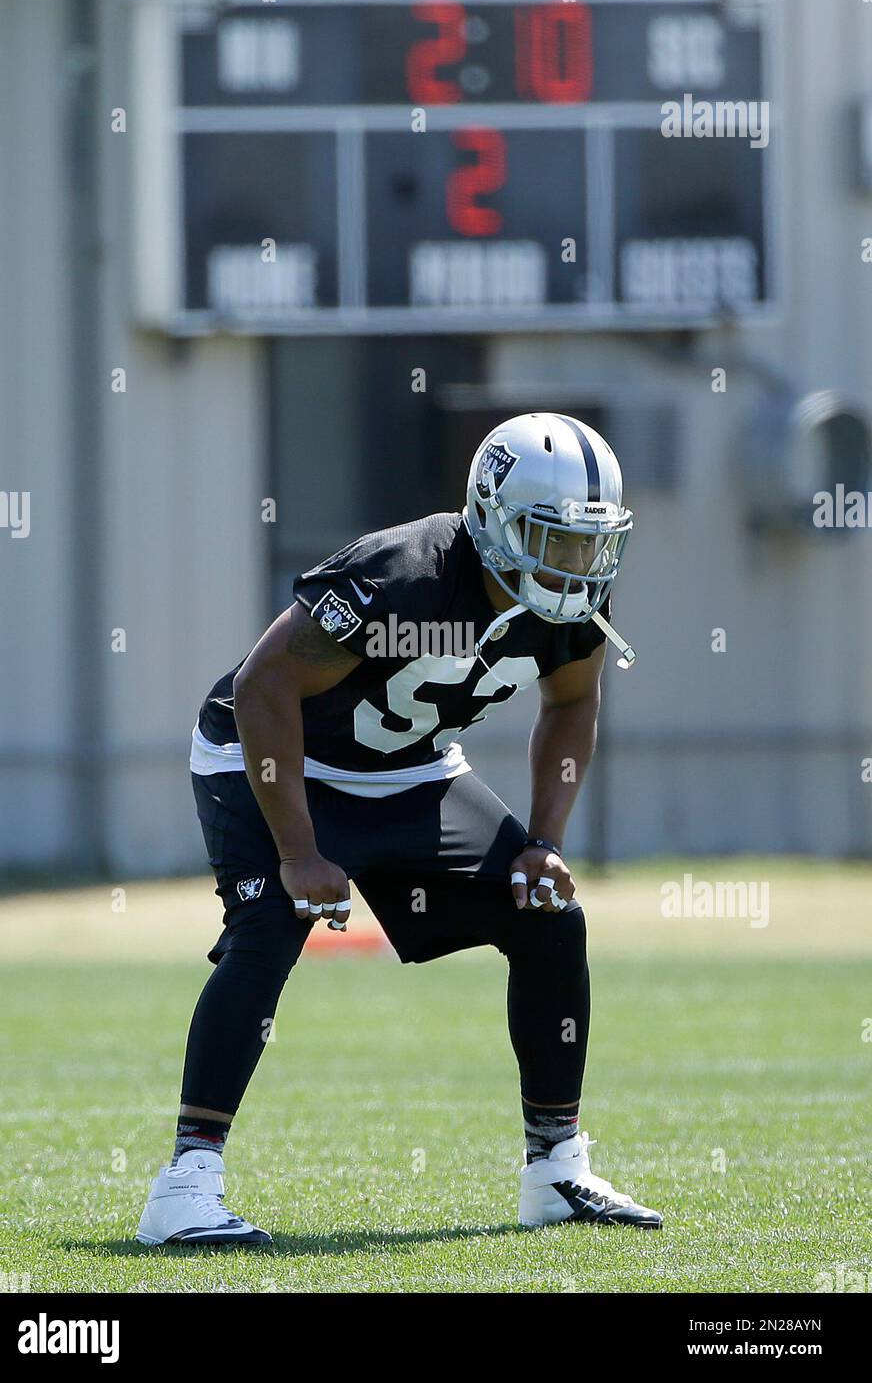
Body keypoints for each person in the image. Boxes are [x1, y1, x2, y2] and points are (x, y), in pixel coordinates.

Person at [135, 412, 661, 1245]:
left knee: (548, 913)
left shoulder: (571, 602)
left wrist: (544, 842)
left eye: (585, 542)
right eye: (550, 539)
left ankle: (556, 1170)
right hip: (273, 753)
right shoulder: (402, 576)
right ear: (492, 518)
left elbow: (572, 700)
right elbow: (266, 684)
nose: (573, 563)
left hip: (409, 768)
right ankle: (184, 1187)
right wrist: (300, 850)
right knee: (270, 921)